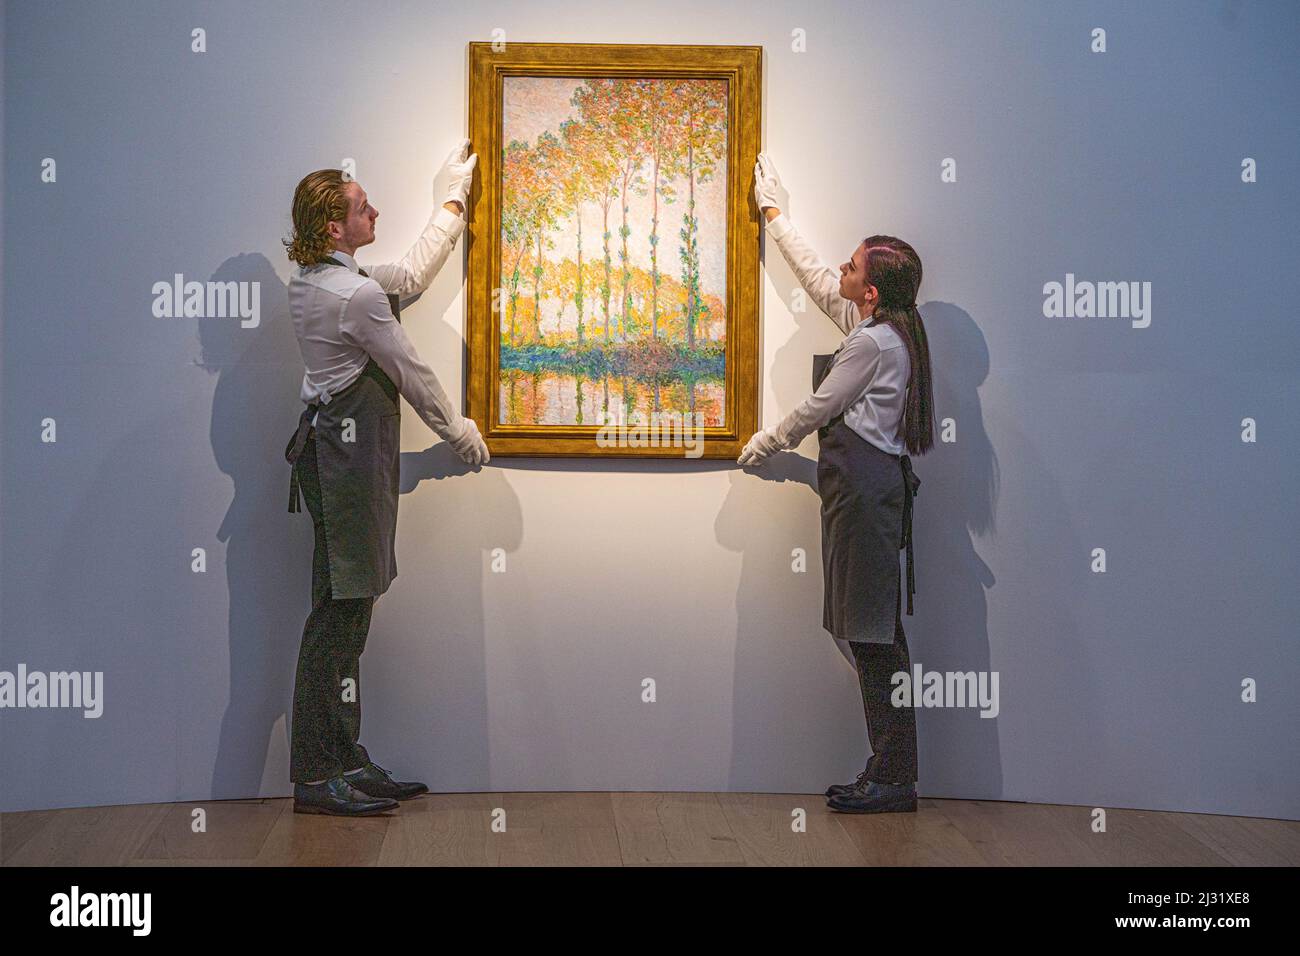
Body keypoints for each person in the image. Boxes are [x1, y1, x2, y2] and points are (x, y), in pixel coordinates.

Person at [281, 139, 490, 816]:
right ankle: (318, 775)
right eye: (363, 207)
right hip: (343, 466)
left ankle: (344, 756)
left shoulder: (330, 283)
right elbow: (411, 371)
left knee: (350, 613)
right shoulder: (352, 296)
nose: (376, 211)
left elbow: (408, 277)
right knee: (338, 618)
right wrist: (456, 430)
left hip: (338, 460)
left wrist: (453, 203)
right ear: (334, 226)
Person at [740, 153, 935, 814]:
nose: (844, 273)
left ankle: (892, 775)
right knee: (869, 633)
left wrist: (767, 443)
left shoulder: (870, 345)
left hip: (868, 497)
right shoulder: (879, 327)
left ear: (872, 292)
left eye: (855, 268)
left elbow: (819, 408)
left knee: (873, 638)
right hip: (871, 493)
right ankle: (887, 769)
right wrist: (775, 216)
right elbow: (821, 279)